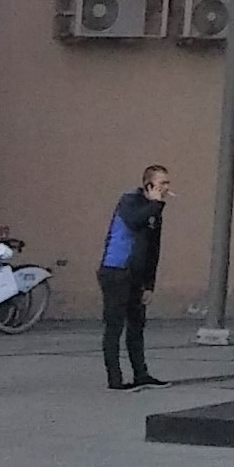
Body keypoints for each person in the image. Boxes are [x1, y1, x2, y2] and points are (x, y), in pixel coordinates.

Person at [96, 166, 170, 391]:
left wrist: (149, 284)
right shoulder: (130, 201)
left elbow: (153, 249)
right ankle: (115, 379)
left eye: (167, 183)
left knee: (137, 326)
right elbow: (134, 221)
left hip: (137, 276)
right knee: (115, 326)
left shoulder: (155, 210)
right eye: (162, 183)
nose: (166, 188)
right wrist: (155, 204)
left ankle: (141, 374)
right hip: (117, 271)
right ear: (149, 185)